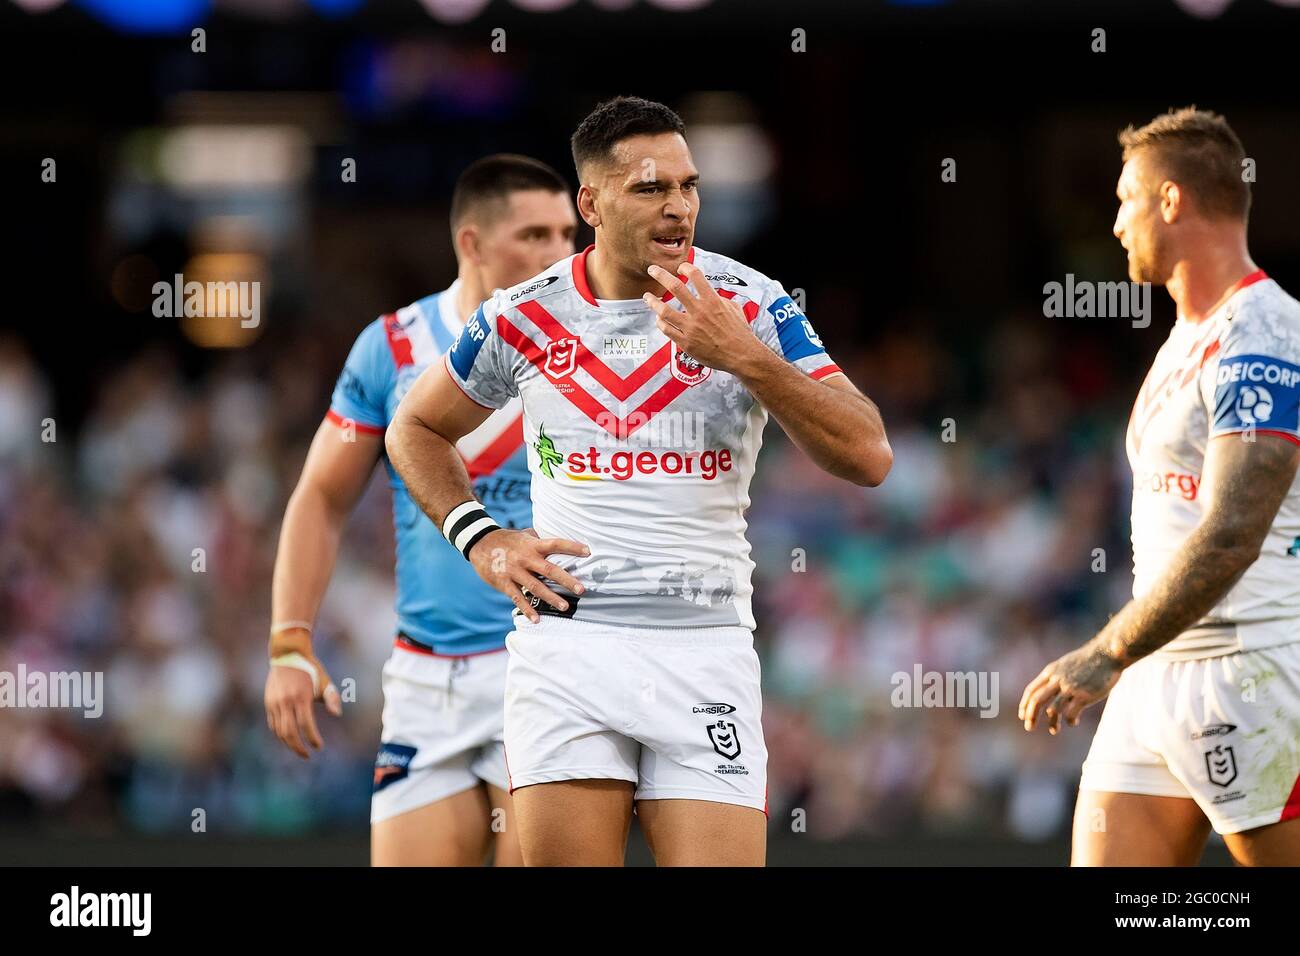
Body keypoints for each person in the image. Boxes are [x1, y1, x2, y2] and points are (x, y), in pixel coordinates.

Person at [385, 96, 892, 866]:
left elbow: (869, 454)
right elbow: (414, 430)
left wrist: (745, 356)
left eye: (689, 186)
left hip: (704, 646)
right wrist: (483, 542)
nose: (680, 207)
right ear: (591, 202)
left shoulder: (750, 303)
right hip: (569, 649)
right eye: (652, 188)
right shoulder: (521, 315)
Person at [264, 154, 577, 866]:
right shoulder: (392, 346)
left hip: (543, 664)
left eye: (567, 234)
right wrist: (289, 641)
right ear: (470, 243)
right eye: (534, 235)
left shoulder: (591, 350)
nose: (559, 253)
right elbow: (320, 495)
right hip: (425, 678)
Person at [1020, 107, 1300, 866]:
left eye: (1125, 199)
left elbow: (1235, 529)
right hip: (1155, 672)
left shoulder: (1266, 334)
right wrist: (1129, 656)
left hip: (1247, 668)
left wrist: (1107, 651)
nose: (1115, 224)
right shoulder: (1184, 339)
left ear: (1171, 200)